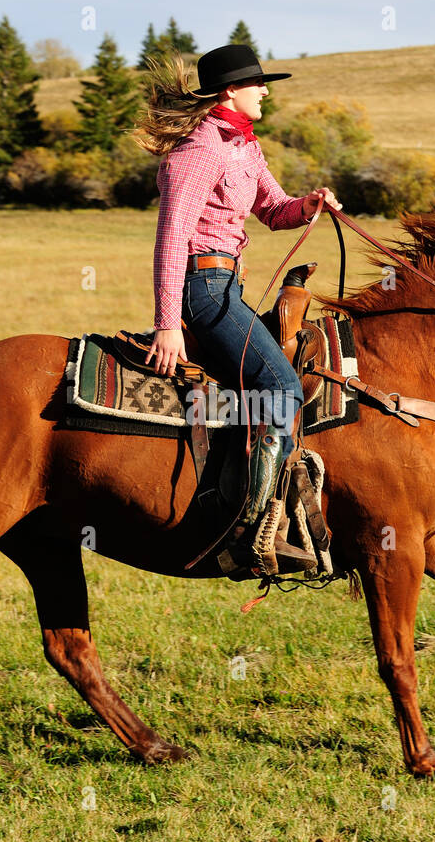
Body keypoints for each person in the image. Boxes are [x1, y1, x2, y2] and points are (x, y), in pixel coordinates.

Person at [132, 44, 341, 571]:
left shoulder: (245, 146)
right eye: (259, 84)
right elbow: (171, 237)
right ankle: (248, 528)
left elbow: (273, 209)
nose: (266, 90)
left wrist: (308, 205)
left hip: (228, 285)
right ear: (231, 91)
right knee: (283, 387)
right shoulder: (201, 149)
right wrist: (166, 324)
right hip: (202, 288)